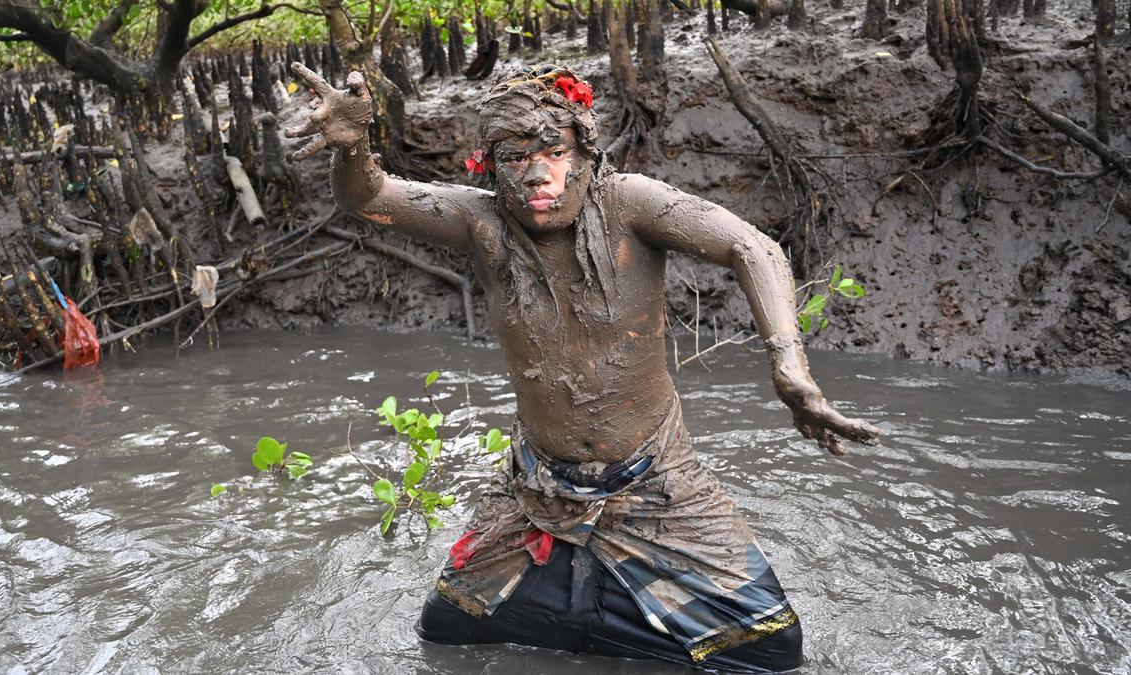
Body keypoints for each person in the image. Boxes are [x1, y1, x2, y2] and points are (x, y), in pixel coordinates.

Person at [286, 63, 881, 673]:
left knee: (771, 652)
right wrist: (353, 146)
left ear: (585, 151)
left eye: (553, 151)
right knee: (447, 632)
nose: (538, 173)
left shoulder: (631, 205)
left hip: (656, 481)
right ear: (492, 167)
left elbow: (752, 246)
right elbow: (369, 197)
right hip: (534, 486)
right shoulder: (480, 221)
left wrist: (790, 367)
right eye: (515, 158)